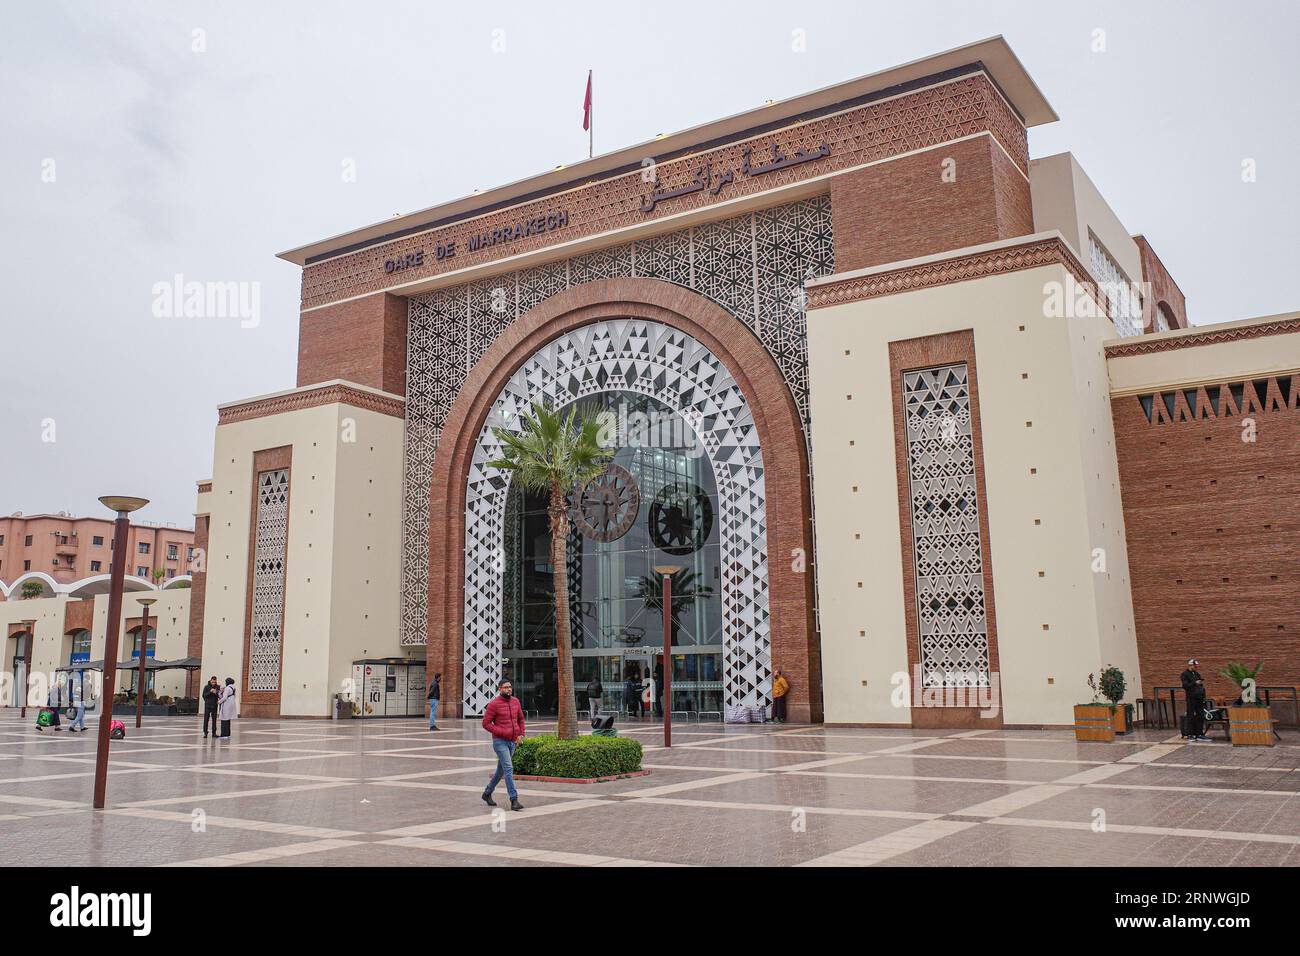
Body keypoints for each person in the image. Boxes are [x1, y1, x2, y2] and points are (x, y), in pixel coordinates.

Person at [481, 678, 525, 811]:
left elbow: (521, 719)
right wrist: (502, 732)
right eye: (505, 687)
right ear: (500, 689)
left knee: (501, 771)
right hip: (500, 742)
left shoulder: (516, 701)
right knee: (508, 768)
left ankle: (487, 793)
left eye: (510, 687)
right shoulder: (494, 704)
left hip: (512, 742)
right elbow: (486, 723)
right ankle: (514, 799)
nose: (509, 689)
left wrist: (521, 734)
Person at [1180, 658, 1209, 742]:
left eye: (1197, 667)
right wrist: (1194, 683)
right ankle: (1190, 734)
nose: (1196, 668)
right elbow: (1185, 685)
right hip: (1191, 698)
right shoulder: (1184, 674)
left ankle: (1199, 733)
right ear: (1190, 665)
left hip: (1199, 697)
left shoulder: (1197, 674)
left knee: (1200, 715)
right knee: (1190, 715)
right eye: (1194, 666)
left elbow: (1200, 685)